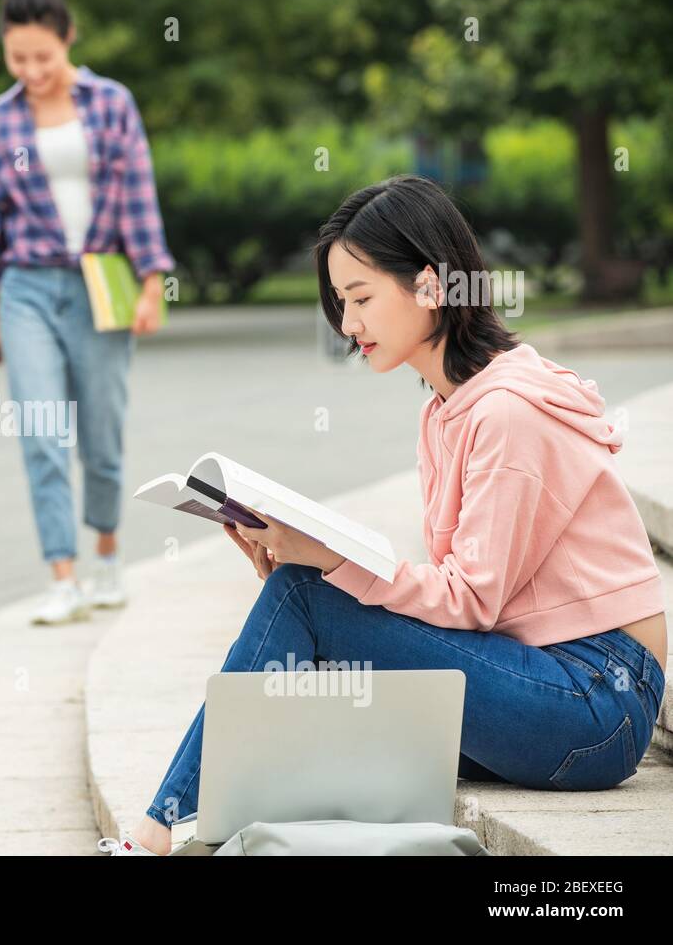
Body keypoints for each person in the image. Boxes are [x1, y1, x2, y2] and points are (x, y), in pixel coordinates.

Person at [101, 175, 668, 855]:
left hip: (598, 702)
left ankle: (156, 833)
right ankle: (198, 827)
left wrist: (332, 567)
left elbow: (473, 601)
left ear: (431, 286)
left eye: (362, 298)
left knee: (309, 600)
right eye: (341, 303)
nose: (348, 325)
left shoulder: (507, 412)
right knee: (315, 640)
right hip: (544, 679)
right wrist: (316, 568)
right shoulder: (446, 409)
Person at [0, 0, 174, 626]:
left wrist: (150, 283)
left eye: (43, 57)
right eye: (17, 57)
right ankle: (61, 575)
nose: (30, 70)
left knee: (101, 434)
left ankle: (107, 555)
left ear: (69, 39)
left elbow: (139, 194)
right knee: (41, 432)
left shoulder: (111, 104)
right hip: (26, 287)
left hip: (100, 282)